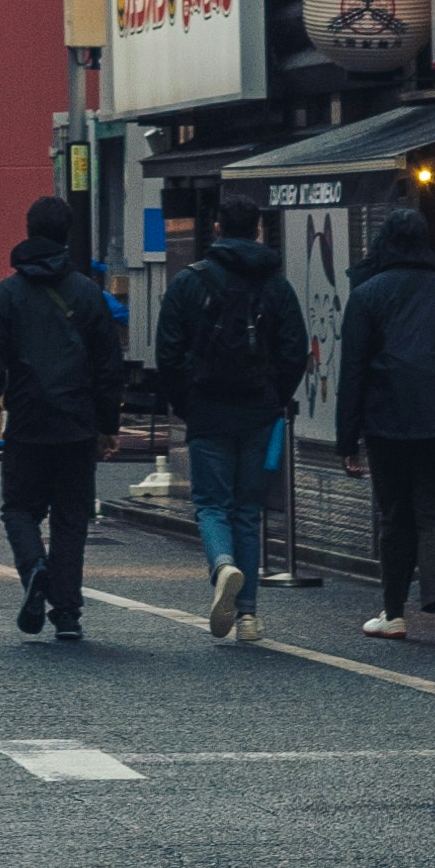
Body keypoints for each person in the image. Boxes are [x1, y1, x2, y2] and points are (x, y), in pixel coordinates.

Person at [155, 203, 310, 642]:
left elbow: (167, 351)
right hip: (259, 412)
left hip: (207, 409)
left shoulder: (191, 282)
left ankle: (223, 565)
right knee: (247, 510)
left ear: (218, 227)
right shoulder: (276, 285)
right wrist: (274, 396)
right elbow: (294, 349)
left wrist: (187, 403)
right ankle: (248, 618)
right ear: (259, 230)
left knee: (210, 504)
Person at [333, 201, 435, 647]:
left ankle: (393, 613)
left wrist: (347, 440)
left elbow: (353, 369)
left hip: (388, 417)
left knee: (395, 515)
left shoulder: (368, 292)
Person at [0, 192, 126, 643]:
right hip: (77, 423)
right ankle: (66, 612)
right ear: (66, 236)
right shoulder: (87, 293)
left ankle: (34, 568)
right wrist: (108, 426)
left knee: (19, 508)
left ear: (28, 231)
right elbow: (108, 364)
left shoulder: (6, 294)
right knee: (71, 516)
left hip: (26, 420)